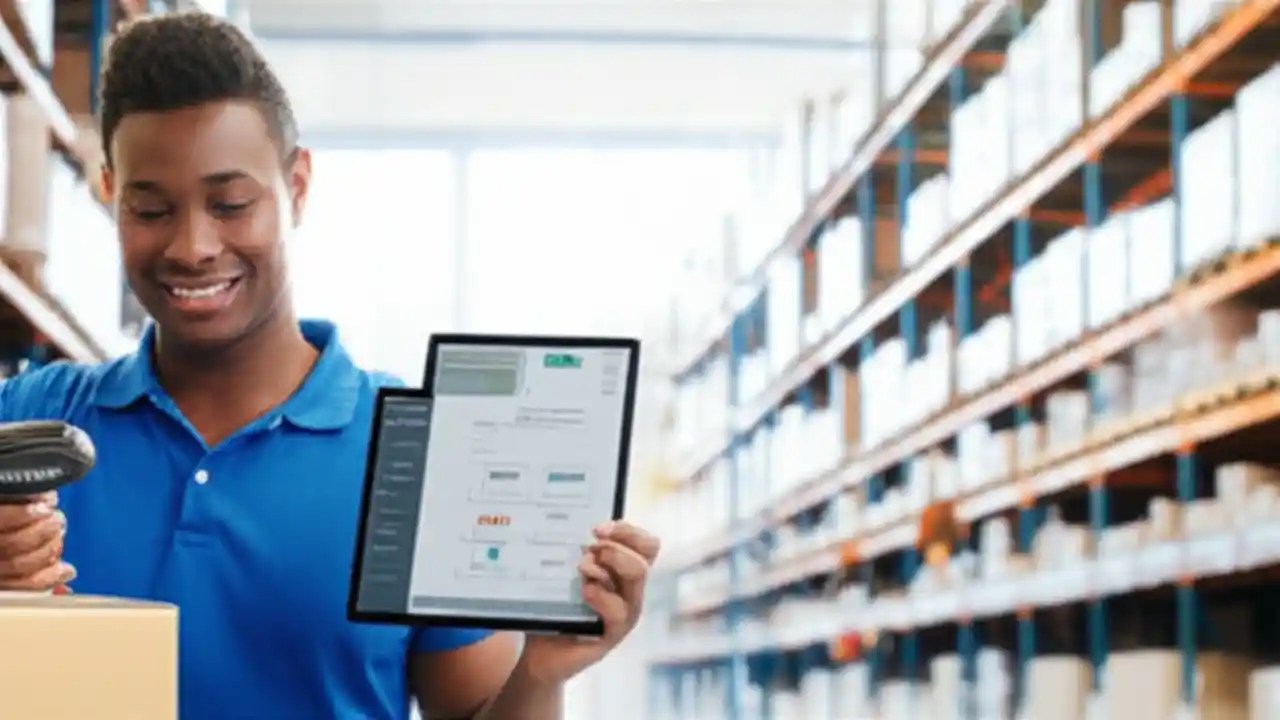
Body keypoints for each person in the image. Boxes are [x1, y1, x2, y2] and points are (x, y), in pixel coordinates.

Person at [0, 11, 660, 720]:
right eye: (152, 209)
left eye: (231, 204)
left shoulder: (409, 449)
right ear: (108, 193)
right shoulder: (29, 424)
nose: (192, 246)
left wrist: (542, 675)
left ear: (299, 187)